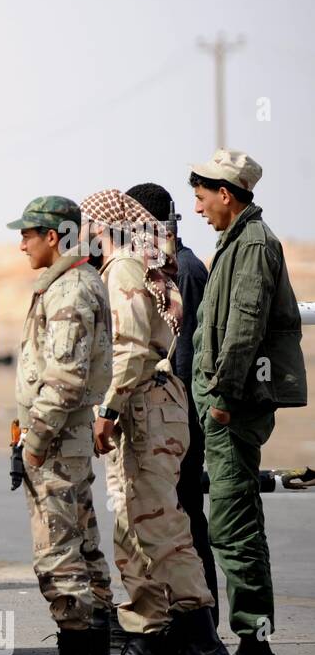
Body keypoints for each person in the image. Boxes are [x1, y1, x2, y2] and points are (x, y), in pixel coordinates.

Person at [80, 189, 230, 655]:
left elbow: (133, 350)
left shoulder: (122, 268)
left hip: (144, 407)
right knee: (131, 528)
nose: (83, 233)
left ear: (105, 226)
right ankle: (146, 644)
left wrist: (107, 409)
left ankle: (200, 640)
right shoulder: (121, 266)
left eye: (88, 223)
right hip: (138, 410)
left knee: (160, 526)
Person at [188, 149, 307, 655]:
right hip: (224, 404)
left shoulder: (254, 245)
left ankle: (256, 649)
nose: (198, 208)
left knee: (234, 526)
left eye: (202, 196)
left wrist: (222, 397)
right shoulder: (236, 242)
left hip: (232, 409)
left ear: (226, 195)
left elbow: (244, 326)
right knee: (235, 521)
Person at [5, 197, 114, 655]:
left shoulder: (70, 289)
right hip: (65, 442)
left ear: (54, 236)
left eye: (29, 233)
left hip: (56, 443)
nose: (21, 242)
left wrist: (34, 443)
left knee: (59, 553)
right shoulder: (71, 282)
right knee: (86, 546)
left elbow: (66, 378)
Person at [125, 182, 217, 620]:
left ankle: (203, 627)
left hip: (180, 419)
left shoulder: (184, 270)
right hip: (170, 418)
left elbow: (184, 355)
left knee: (185, 524)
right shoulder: (161, 268)